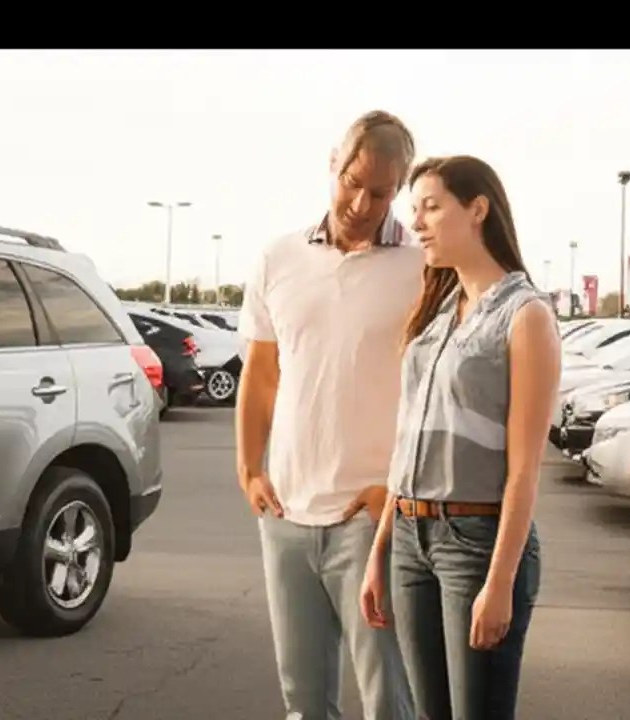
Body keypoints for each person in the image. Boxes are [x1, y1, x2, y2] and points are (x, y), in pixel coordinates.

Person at [358, 155, 560, 720]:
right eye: (412, 210)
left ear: (477, 210)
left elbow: (524, 470)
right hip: (408, 537)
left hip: (477, 542)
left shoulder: (525, 317)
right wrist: (381, 550)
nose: (415, 223)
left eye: (430, 206)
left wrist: (500, 583)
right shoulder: (438, 311)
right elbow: (406, 446)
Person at [236, 110, 421, 720]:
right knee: (304, 703)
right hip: (285, 515)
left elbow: (436, 390)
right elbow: (262, 374)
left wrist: (392, 494)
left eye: (381, 191)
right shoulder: (277, 258)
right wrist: (250, 469)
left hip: (368, 520)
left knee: (385, 700)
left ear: (401, 189)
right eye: (352, 180)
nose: (362, 202)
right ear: (333, 164)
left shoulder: (423, 267)